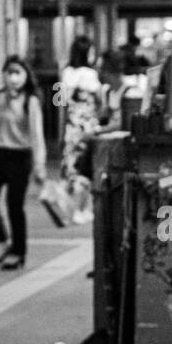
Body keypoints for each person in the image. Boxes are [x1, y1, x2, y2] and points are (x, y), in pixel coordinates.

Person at [0, 55, 46, 270]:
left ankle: (18, 252)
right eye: (9, 73)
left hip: (19, 157)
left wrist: (40, 165)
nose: (13, 78)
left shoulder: (30, 101)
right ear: (4, 75)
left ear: (26, 76)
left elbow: (37, 135)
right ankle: (3, 242)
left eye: (18, 73)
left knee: (14, 206)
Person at [60, 39, 101, 225]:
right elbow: (99, 98)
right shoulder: (90, 74)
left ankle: (67, 209)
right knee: (85, 168)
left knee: (71, 166)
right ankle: (81, 209)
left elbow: (60, 101)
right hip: (87, 126)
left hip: (71, 125)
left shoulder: (66, 72)